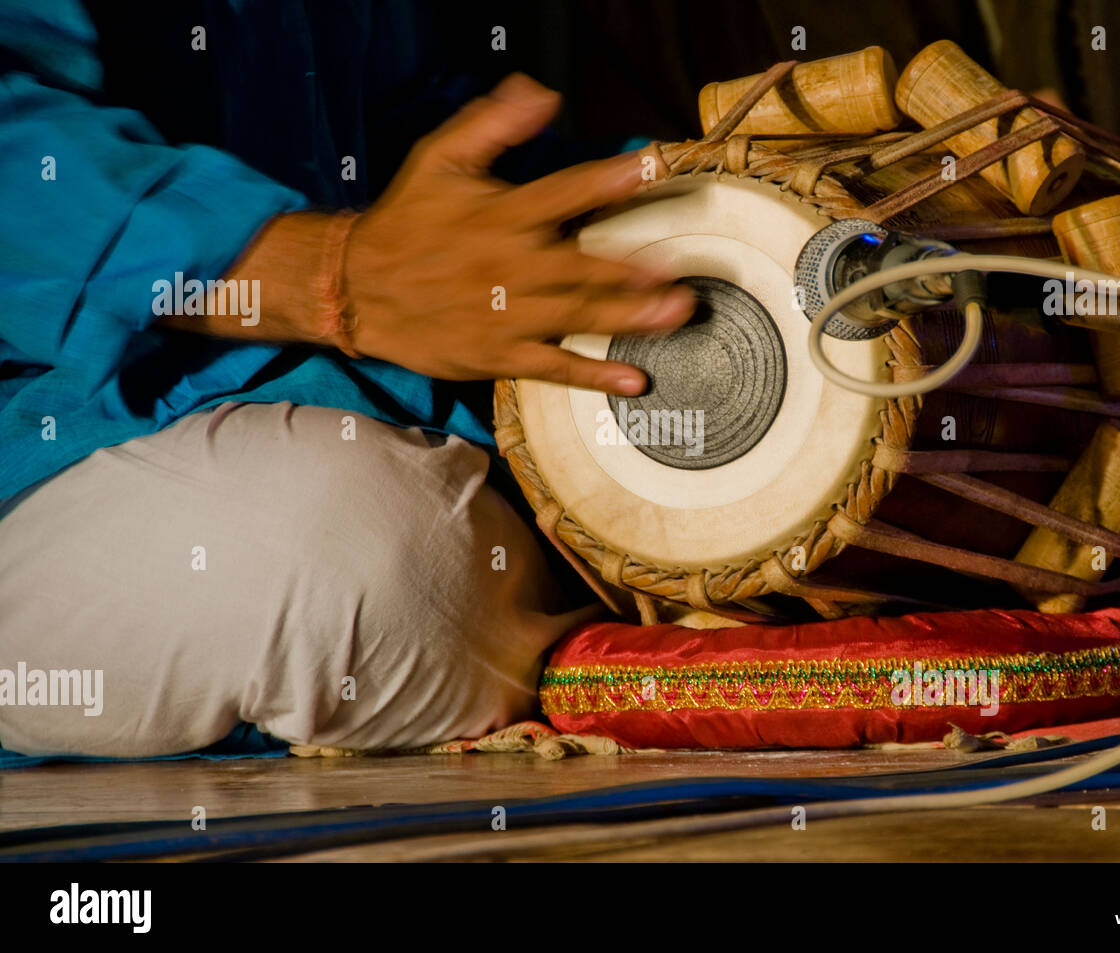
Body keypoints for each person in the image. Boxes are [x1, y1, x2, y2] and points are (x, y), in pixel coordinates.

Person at [0, 1, 693, 756]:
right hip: (51, 447)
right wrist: (330, 274)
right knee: (358, 569)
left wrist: (689, 195)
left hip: (347, 405)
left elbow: (404, 135)